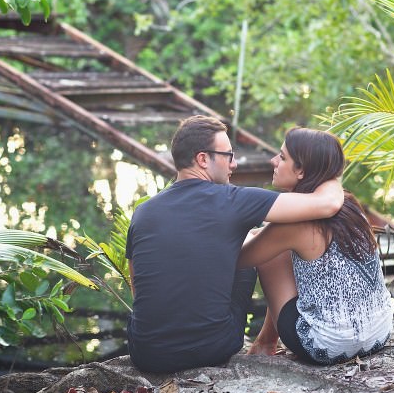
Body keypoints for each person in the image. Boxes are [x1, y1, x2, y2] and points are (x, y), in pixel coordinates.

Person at [125, 116, 344, 373]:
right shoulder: (234, 201)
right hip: (213, 349)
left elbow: (137, 285)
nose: (235, 163)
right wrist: (331, 174)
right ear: (203, 159)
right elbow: (326, 205)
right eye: (228, 155)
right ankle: (265, 342)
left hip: (147, 354)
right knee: (255, 243)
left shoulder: (143, 212)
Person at [238, 127, 393, 365]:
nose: (273, 161)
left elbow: (241, 259)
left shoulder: (295, 225)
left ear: (301, 170)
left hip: (326, 345)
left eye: (282, 157)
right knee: (277, 244)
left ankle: (266, 343)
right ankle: (265, 342)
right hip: (379, 334)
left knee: (270, 254)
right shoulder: (349, 204)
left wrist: (247, 234)